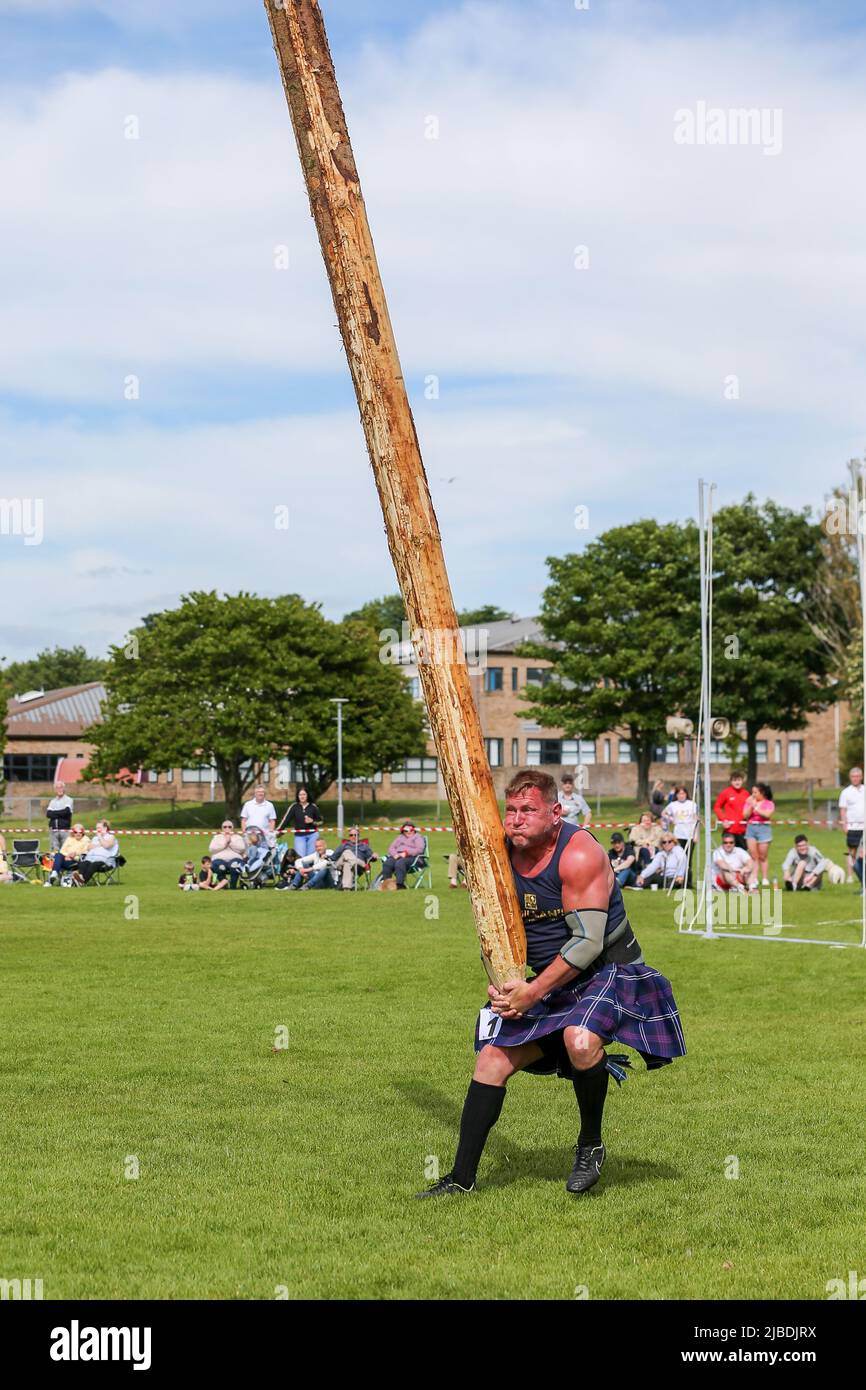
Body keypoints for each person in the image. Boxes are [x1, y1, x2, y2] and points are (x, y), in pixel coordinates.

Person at [416, 769, 684, 1200]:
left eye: (529, 810)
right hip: (547, 978)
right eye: (512, 810)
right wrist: (504, 985)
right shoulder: (499, 854)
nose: (517, 819)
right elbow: (493, 927)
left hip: (607, 969)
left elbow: (586, 941)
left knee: (579, 1040)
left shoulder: (578, 854)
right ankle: (461, 1179)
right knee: (491, 1061)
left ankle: (590, 1145)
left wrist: (531, 992)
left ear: (555, 813)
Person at [744, 783, 775, 888]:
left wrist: (755, 806)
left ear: (762, 793)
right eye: (752, 792)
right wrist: (751, 806)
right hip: (751, 828)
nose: (753, 795)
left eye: (755, 792)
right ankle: (754, 877)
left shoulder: (768, 803)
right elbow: (745, 815)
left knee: (763, 856)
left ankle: (765, 878)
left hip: (764, 829)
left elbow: (767, 815)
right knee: (754, 855)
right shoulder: (750, 802)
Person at [379, 822, 426, 889]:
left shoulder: (418, 837)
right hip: (398, 855)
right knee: (387, 863)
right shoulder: (400, 837)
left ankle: (400, 885)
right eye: (406, 830)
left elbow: (419, 850)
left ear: (414, 830)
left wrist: (406, 853)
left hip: (413, 857)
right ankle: (386, 884)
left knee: (400, 863)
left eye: (411, 830)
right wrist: (395, 854)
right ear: (403, 831)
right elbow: (391, 847)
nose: (409, 832)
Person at [839, 767, 864, 884]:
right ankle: (850, 876)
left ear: (862, 777)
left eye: (858, 776)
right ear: (850, 778)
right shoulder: (846, 792)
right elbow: (843, 810)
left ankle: (862, 876)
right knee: (851, 853)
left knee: (862, 853)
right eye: (853, 776)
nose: (855, 778)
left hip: (864, 828)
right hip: (852, 827)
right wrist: (844, 825)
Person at [279, 787, 322, 857]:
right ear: (297, 796)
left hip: (313, 835)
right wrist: (279, 830)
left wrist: (312, 821)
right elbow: (285, 820)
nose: (302, 796)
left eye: (304, 794)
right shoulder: (294, 807)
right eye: (300, 795)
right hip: (299, 836)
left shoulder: (313, 806)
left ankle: (310, 868)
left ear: (307, 795)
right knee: (300, 857)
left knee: (311, 857)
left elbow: (320, 821)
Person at [713, 769, 750, 850]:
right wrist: (723, 819)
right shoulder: (725, 792)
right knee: (728, 856)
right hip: (729, 830)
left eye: (739, 780)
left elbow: (750, 809)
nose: (737, 782)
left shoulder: (746, 793)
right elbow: (717, 807)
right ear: (731, 781)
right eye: (734, 780)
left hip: (743, 830)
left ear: (742, 781)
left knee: (742, 856)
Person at [208, 820, 247, 889]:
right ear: (222, 828)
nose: (227, 828)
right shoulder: (217, 837)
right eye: (225, 827)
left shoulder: (237, 837)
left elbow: (242, 848)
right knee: (220, 867)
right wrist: (225, 844)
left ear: (233, 828)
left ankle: (233, 886)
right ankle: (224, 884)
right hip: (219, 859)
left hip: (235, 858)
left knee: (234, 865)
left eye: (229, 827)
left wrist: (230, 843)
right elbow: (211, 849)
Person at [46, 781, 74, 854]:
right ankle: (56, 865)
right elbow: (48, 814)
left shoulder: (68, 799)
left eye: (61, 787)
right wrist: (60, 812)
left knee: (65, 851)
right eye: (57, 787)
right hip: (53, 830)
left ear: (64, 788)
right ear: (55, 790)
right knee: (55, 851)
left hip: (64, 830)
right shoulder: (52, 801)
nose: (59, 789)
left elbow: (66, 811)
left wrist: (54, 812)